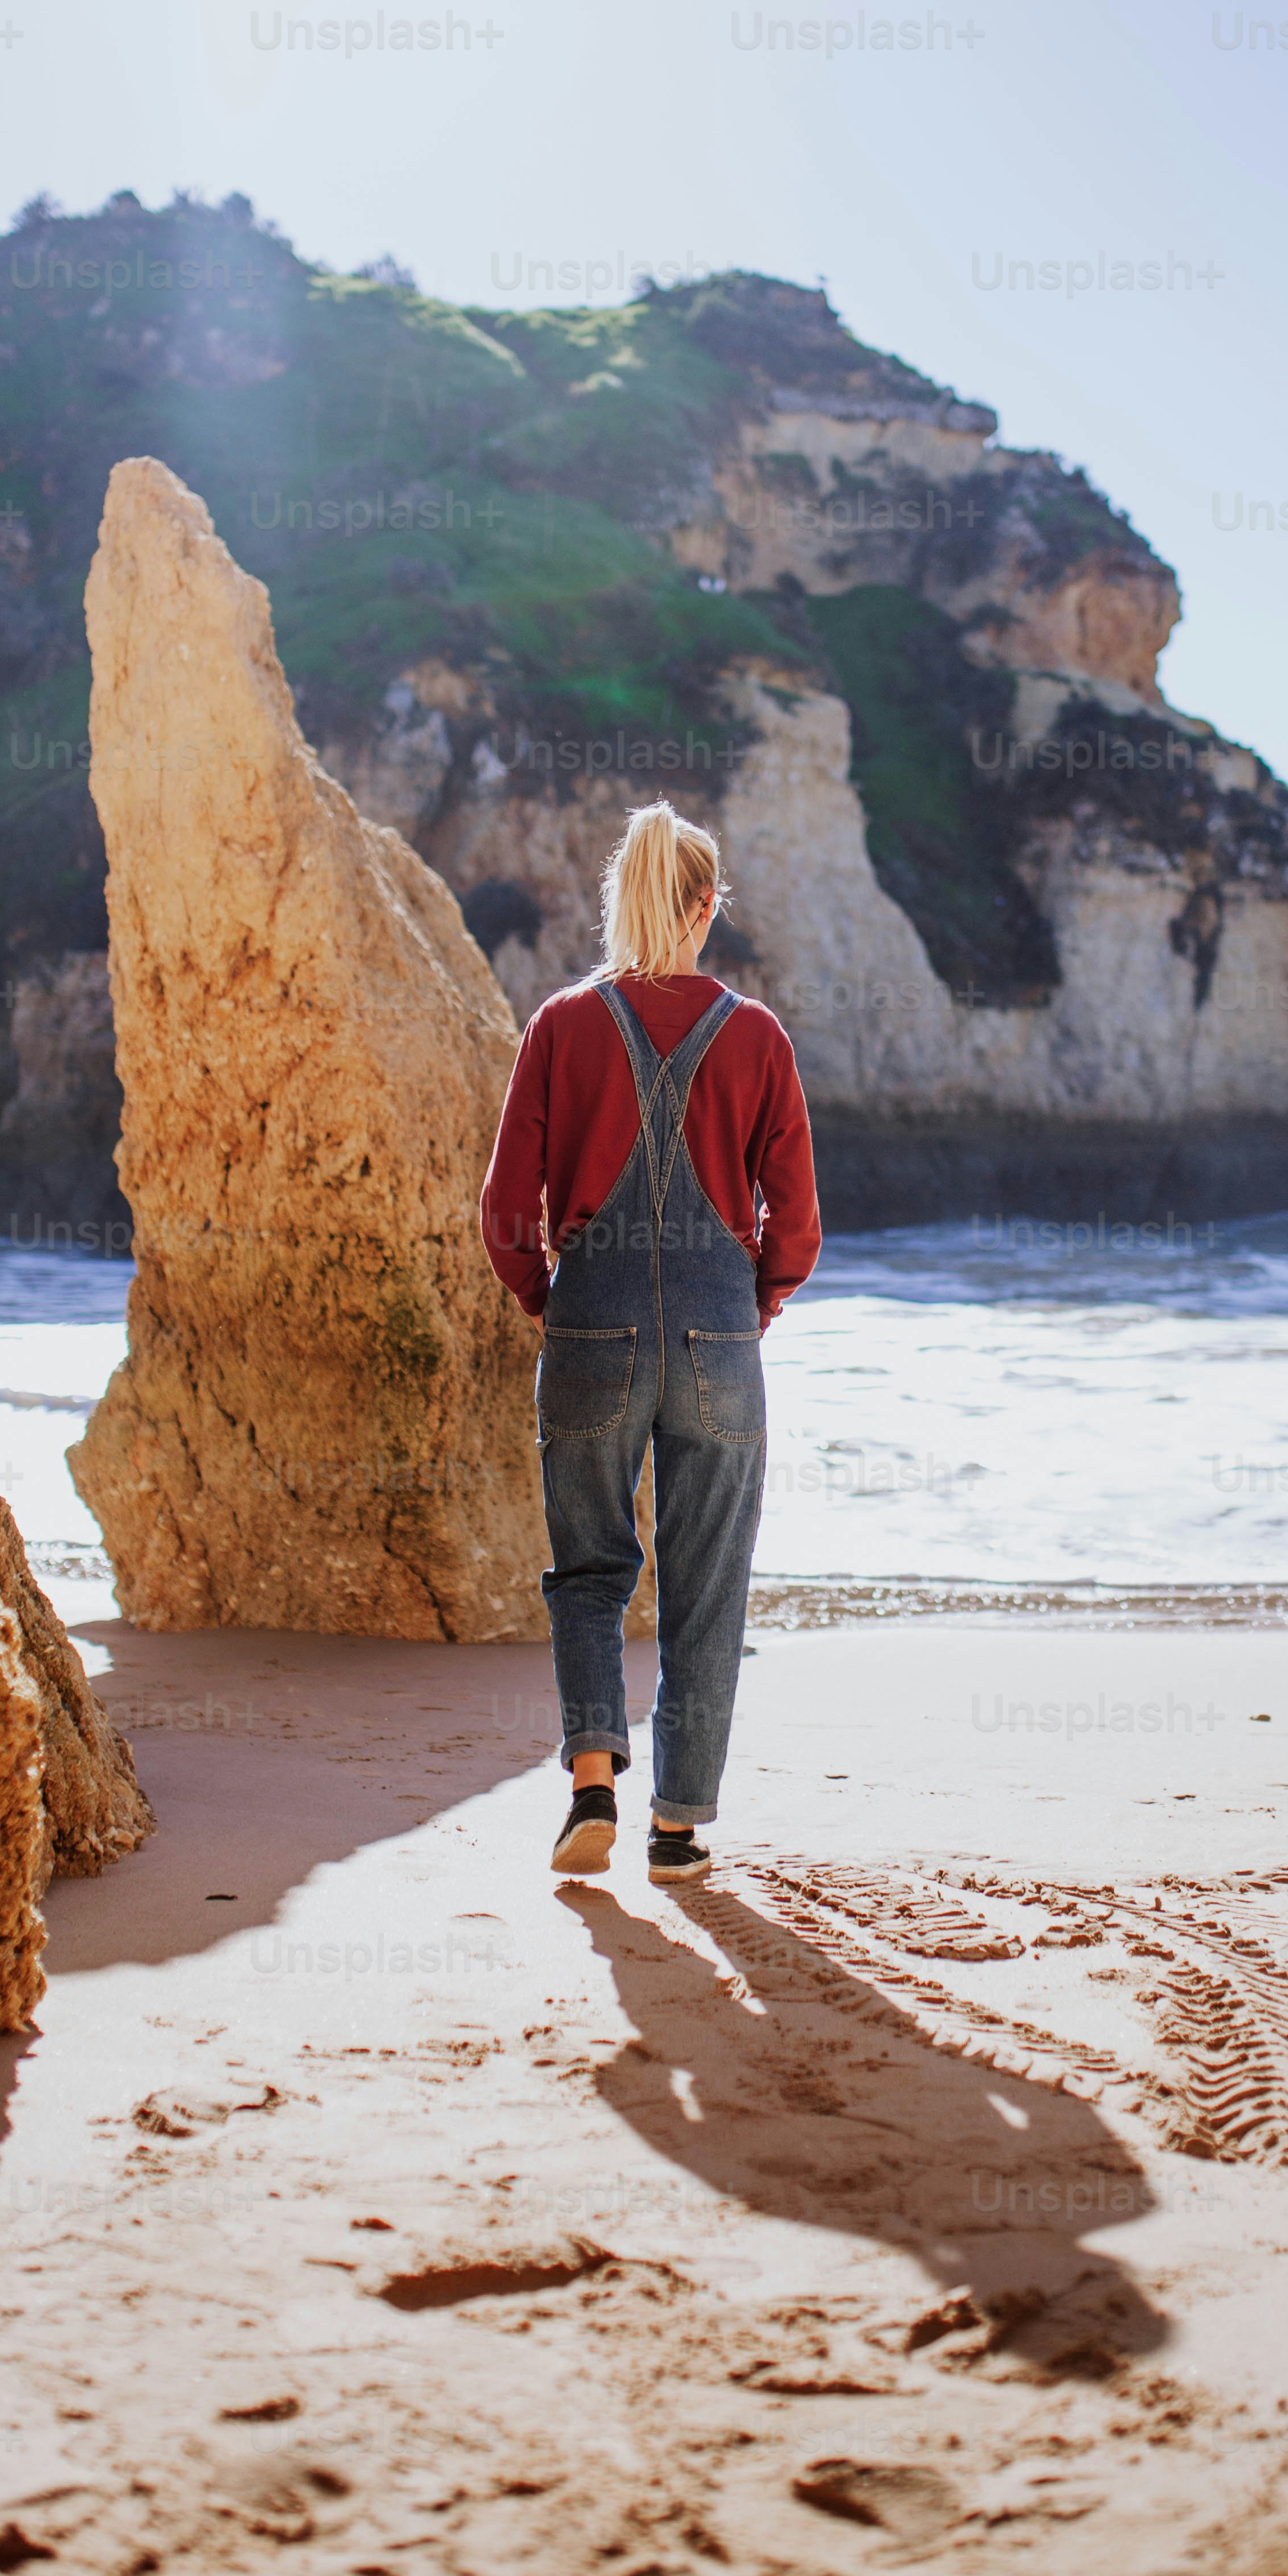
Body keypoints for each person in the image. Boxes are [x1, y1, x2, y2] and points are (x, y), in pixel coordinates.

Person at [480, 800, 820, 1885]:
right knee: (707, 1585)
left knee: (589, 1567)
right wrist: (759, 1303)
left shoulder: (561, 1026)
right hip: (720, 1335)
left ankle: (593, 1785)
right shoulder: (756, 1036)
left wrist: (546, 1297)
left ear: (621, 896)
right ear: (705, 905)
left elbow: (505, 1208)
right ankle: (678, 1828)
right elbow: (798, 1222)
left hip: (593, 1324)